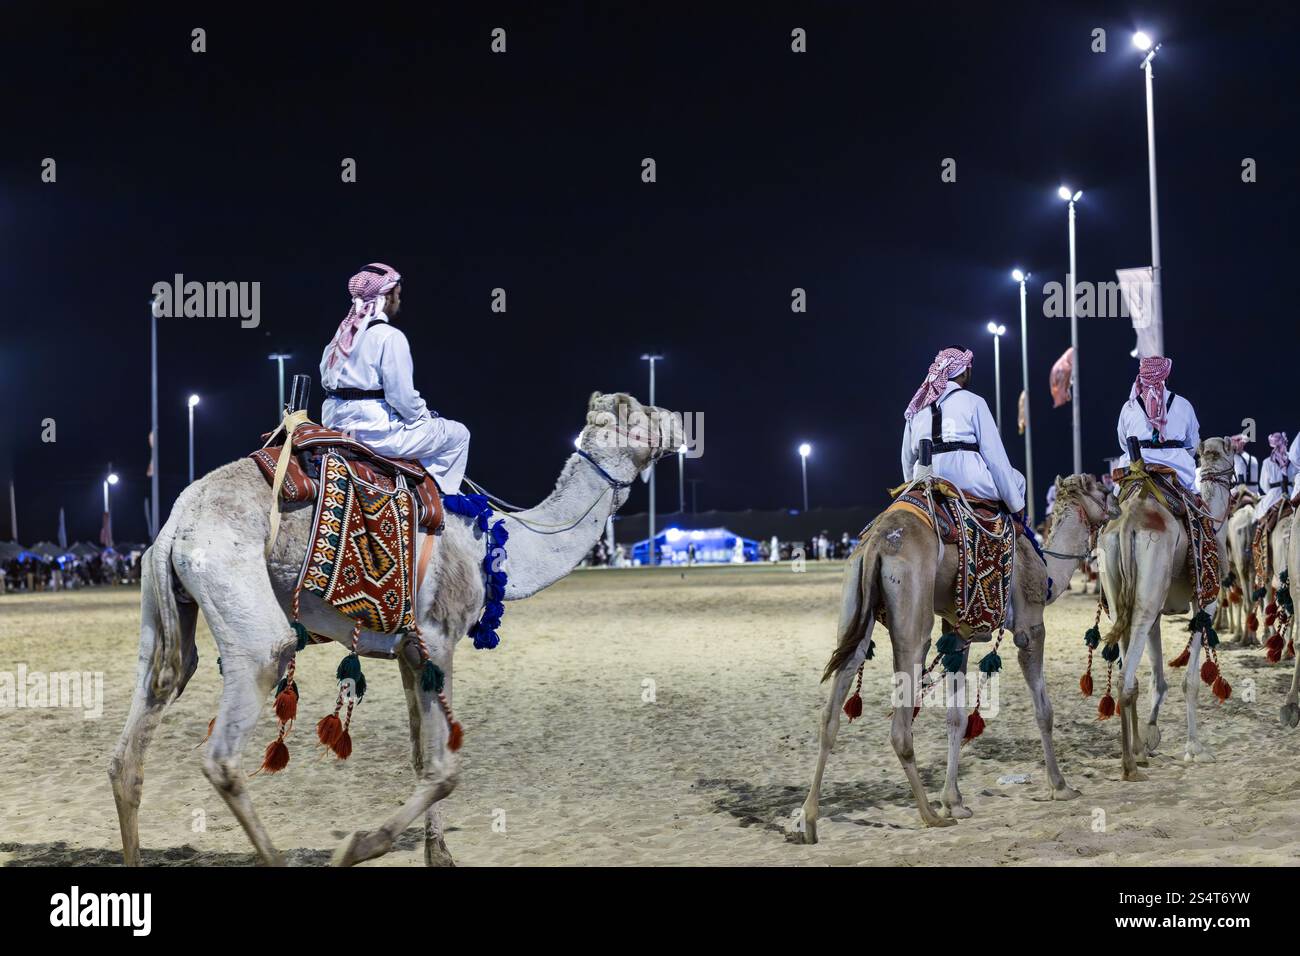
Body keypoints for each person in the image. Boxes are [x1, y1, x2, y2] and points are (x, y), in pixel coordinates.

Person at [320, 263, 470, 493]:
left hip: (334, 424)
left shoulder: (339, 338)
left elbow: (326, 380)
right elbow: (401, 397)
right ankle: (445, 503)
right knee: (457, 433)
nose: (399, 301)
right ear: (387, 297)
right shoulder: (389, 337)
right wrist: (423, 417)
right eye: (397, 295)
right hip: (374, 433)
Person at [900, 347, 1026, 514]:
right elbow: (995, 457)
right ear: (965, 371)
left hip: (923, 476)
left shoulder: (917, 407)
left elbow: (907, 459)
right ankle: (1013, 531)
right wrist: (1016, 505)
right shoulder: (974, 401)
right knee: (1018, 479)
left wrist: (912, 489)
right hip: (964, 474)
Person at [1114, 356, 1199, 493]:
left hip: (1137, 466)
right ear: (1166, 375)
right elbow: (1192, 445)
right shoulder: (1184, 405)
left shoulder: (1129, 406)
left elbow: (1124, 443)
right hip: (1177, 469)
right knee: (1198, 508)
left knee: (1114, 504)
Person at [1255, 432, 1295, 521]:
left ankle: (1261, 533)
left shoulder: (1267, 462)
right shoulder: (1293, 459)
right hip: (1291, 492)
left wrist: (1272, 492)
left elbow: (1264, 484)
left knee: (1263, 517)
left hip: (1275, 495)